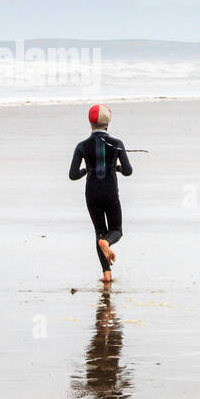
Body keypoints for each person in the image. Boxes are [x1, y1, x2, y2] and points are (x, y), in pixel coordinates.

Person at [69, 104, 133, 285]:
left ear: (90, 122)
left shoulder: (81, 146)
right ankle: (107, 245)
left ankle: (106, 274)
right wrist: (116, 168)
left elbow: (73, 175)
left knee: (99, 232)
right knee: (116, 231)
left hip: (92, 193)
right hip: (110, 191)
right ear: (108, 122)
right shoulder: (117, 144)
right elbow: (128, 171)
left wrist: (88, 170)